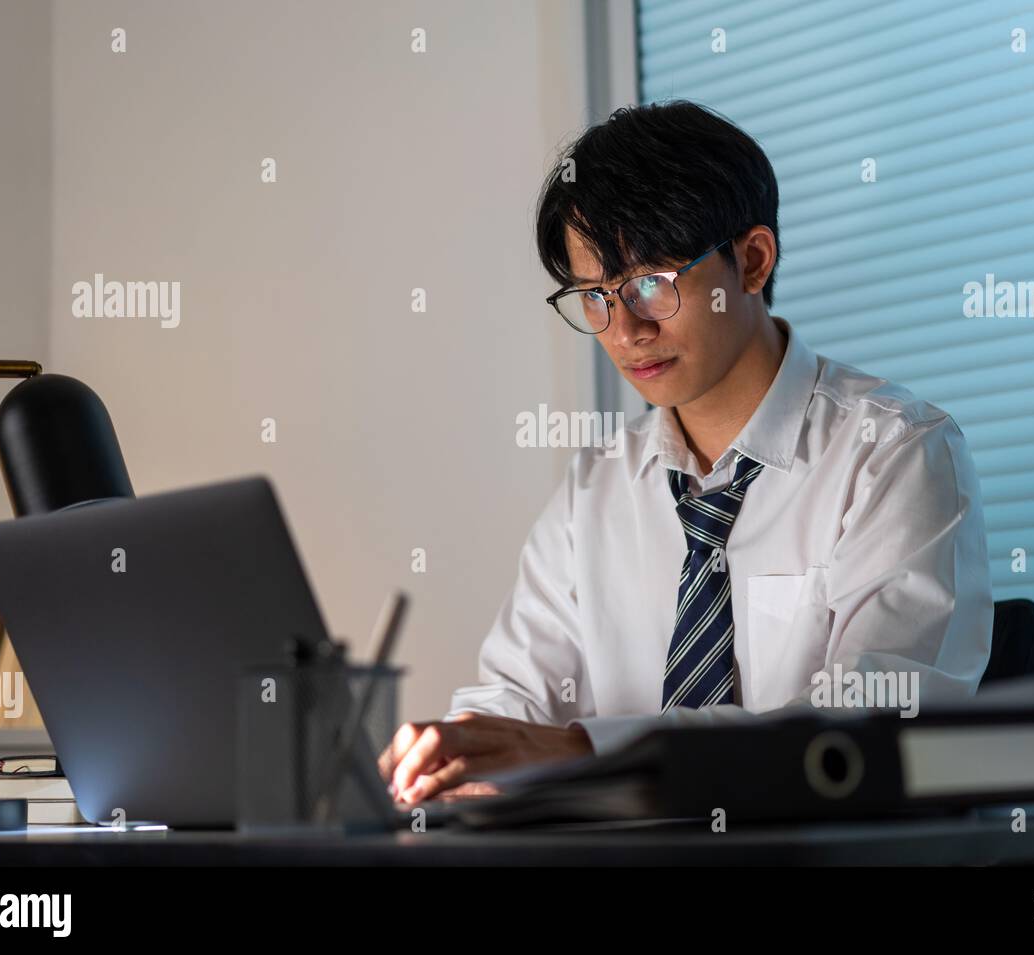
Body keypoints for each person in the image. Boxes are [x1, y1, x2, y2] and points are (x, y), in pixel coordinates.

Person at [380, 100, 992, 807]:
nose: (626, 330)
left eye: (651, 285)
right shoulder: (596, 490)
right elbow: (515, 701)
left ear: (753, 261)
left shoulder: (895, 454)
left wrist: (586, 748)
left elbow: (863, 732)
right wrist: (461, 750)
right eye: (595, 296)